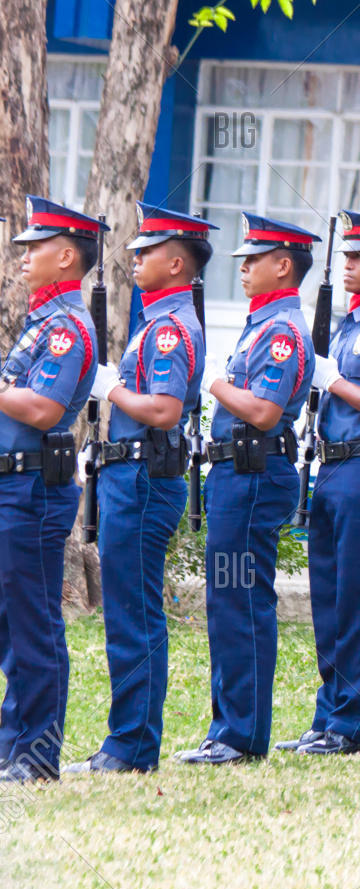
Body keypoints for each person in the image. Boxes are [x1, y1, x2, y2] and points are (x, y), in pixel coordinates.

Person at [65, 203, 213, 775]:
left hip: (144, 480)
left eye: (147, 251)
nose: (136, 259)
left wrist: (111, 389)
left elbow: (165, 410)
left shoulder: (170, 328)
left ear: (176, 263)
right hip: (132, 475)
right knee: (129, 611)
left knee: (134, 615)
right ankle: (129, 740)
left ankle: (131, 746)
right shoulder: (159, 322)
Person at [177, 214, 315, 765]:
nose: (244, 268)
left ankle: (240, 734)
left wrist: (214, 382)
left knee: (240, 600)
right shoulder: (263, 324)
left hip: (253, 478)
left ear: (283, 265)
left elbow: (263, 411)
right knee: (228, 599)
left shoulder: (281, 331)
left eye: (254, 259)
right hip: (237, 478)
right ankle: (229, 727)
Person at [275, 210, 360, 757]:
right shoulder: (351, 321)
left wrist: (334, 381)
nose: (348, 264)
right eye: (346, 255)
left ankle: (351, 723)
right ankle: (327, 714)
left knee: (357, 599)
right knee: (328, 600)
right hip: (330, 467)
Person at [0, 199, 102, 783]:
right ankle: (14, 741)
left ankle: (38, 754)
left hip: (34, 488)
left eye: (35, 246)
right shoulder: (42, 321)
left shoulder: (66, 326)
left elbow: (42, 407)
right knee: (11, 621)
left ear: (66, 256)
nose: (24, 255)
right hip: (15, 483)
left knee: (33, 621)